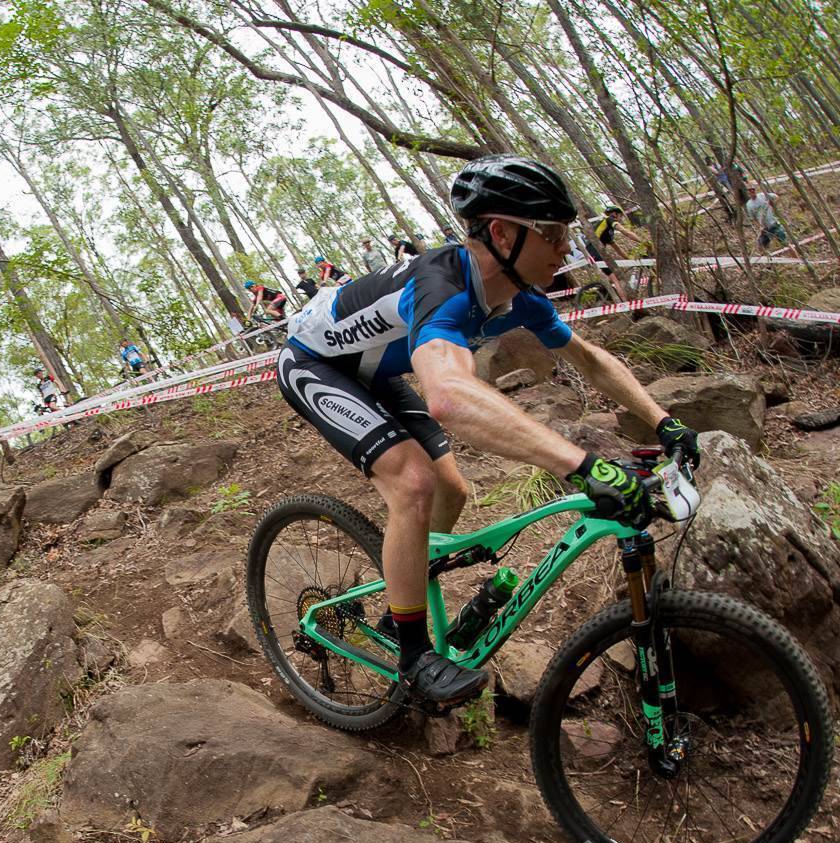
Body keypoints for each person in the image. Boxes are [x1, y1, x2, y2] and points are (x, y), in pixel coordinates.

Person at [278, 155, 698, 708]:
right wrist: (579, 464)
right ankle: (413, 658)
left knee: (452, 491)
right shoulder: (442, 286)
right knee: (413, 482)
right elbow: (448, 396)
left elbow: (590, 360)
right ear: (501, 233)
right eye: (553, 234)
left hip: (377, 371)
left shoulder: (520, 297)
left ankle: (397, 606)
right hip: (315, 365)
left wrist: (665, 421)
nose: (567, 248)